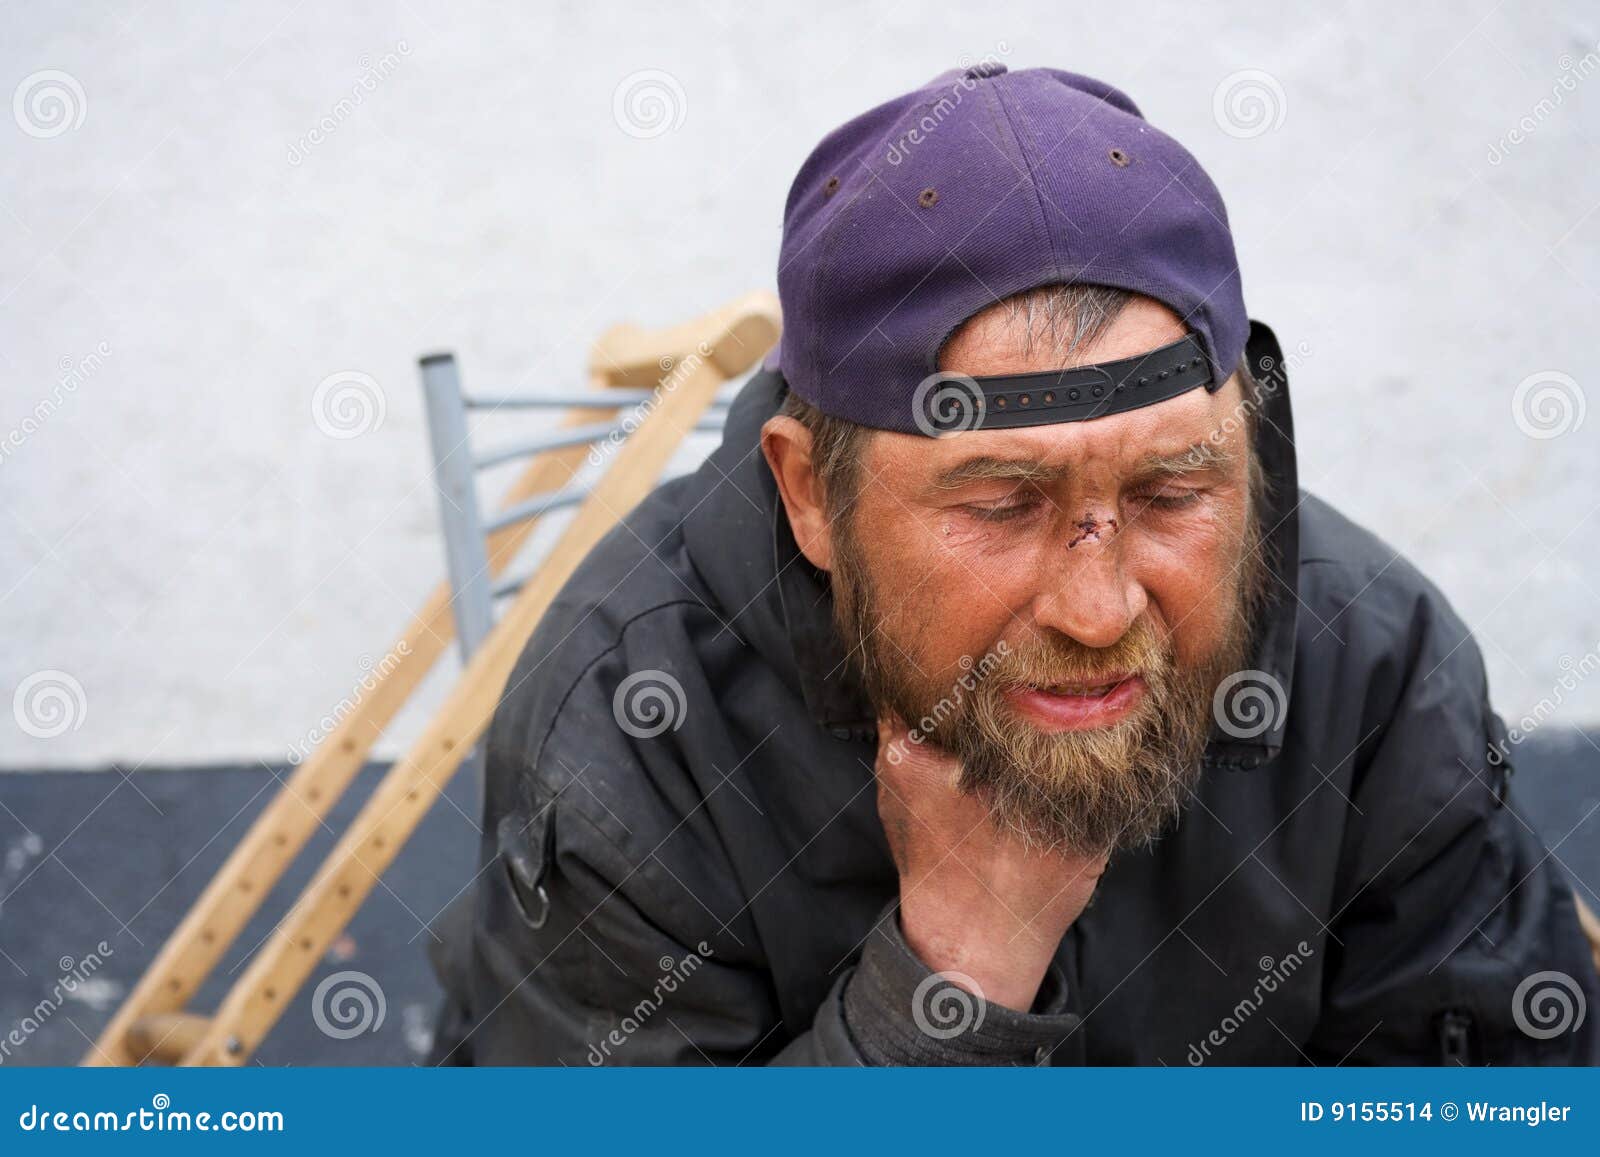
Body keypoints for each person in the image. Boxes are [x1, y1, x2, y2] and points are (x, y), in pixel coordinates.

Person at [427, 64, 1599, 1065]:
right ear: (807, 491)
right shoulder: (635, 727)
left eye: (1172, 492)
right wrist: (954, 972)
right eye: (1000, 504)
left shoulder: (1374, 664)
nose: (1098, 610)